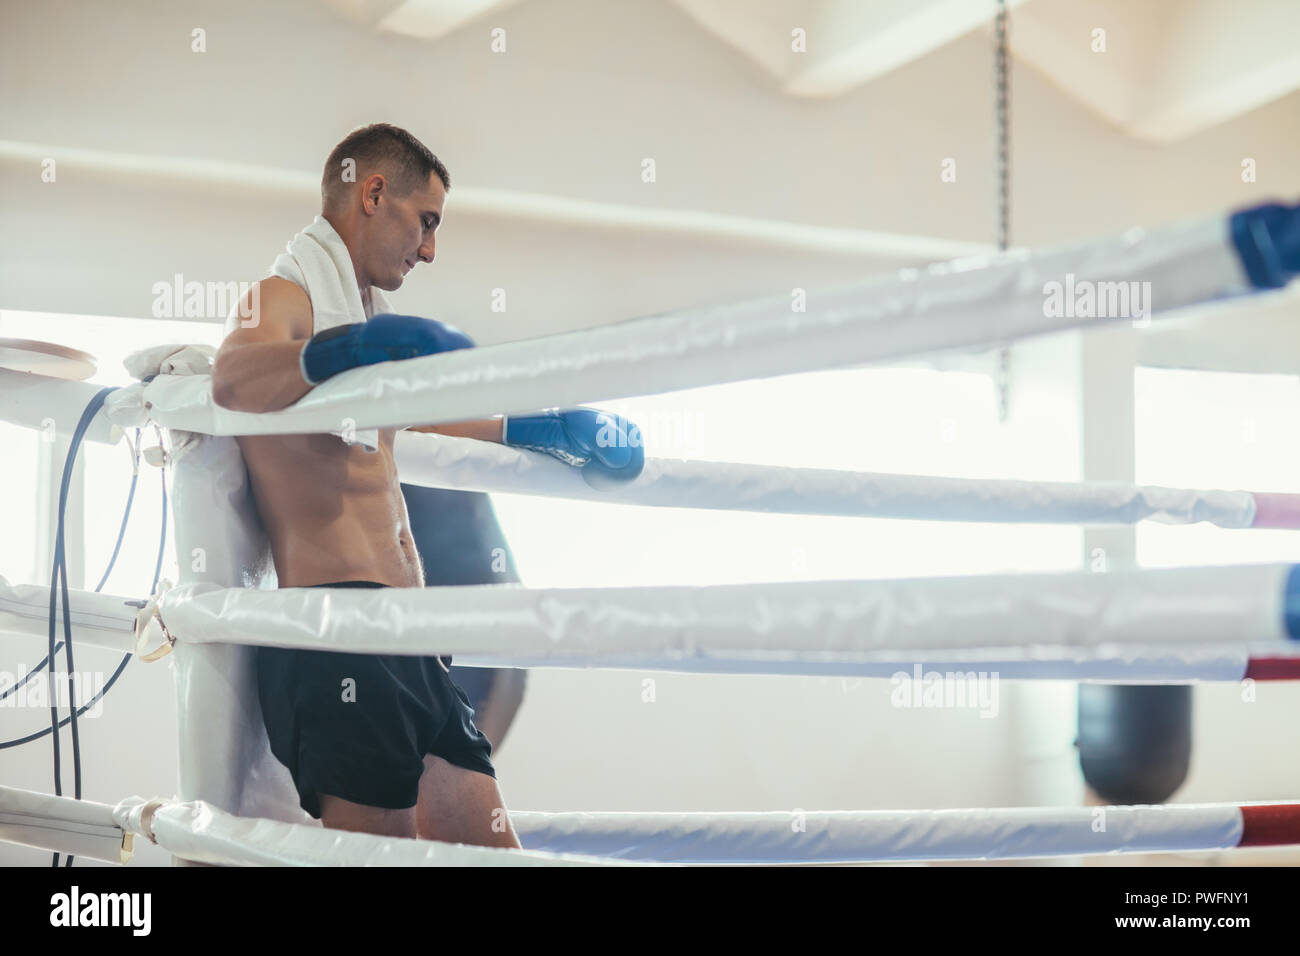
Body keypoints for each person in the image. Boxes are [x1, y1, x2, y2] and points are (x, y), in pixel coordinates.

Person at [211, 123, 642, 846]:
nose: (431, 249)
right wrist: (345, 350)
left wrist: (543, 430)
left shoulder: (360, 315)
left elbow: (421, 420)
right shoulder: (282, 297)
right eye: (426, 222)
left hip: (412, 638)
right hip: (339, 633)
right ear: (374, 192)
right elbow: (231, 377)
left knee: (494, 857)